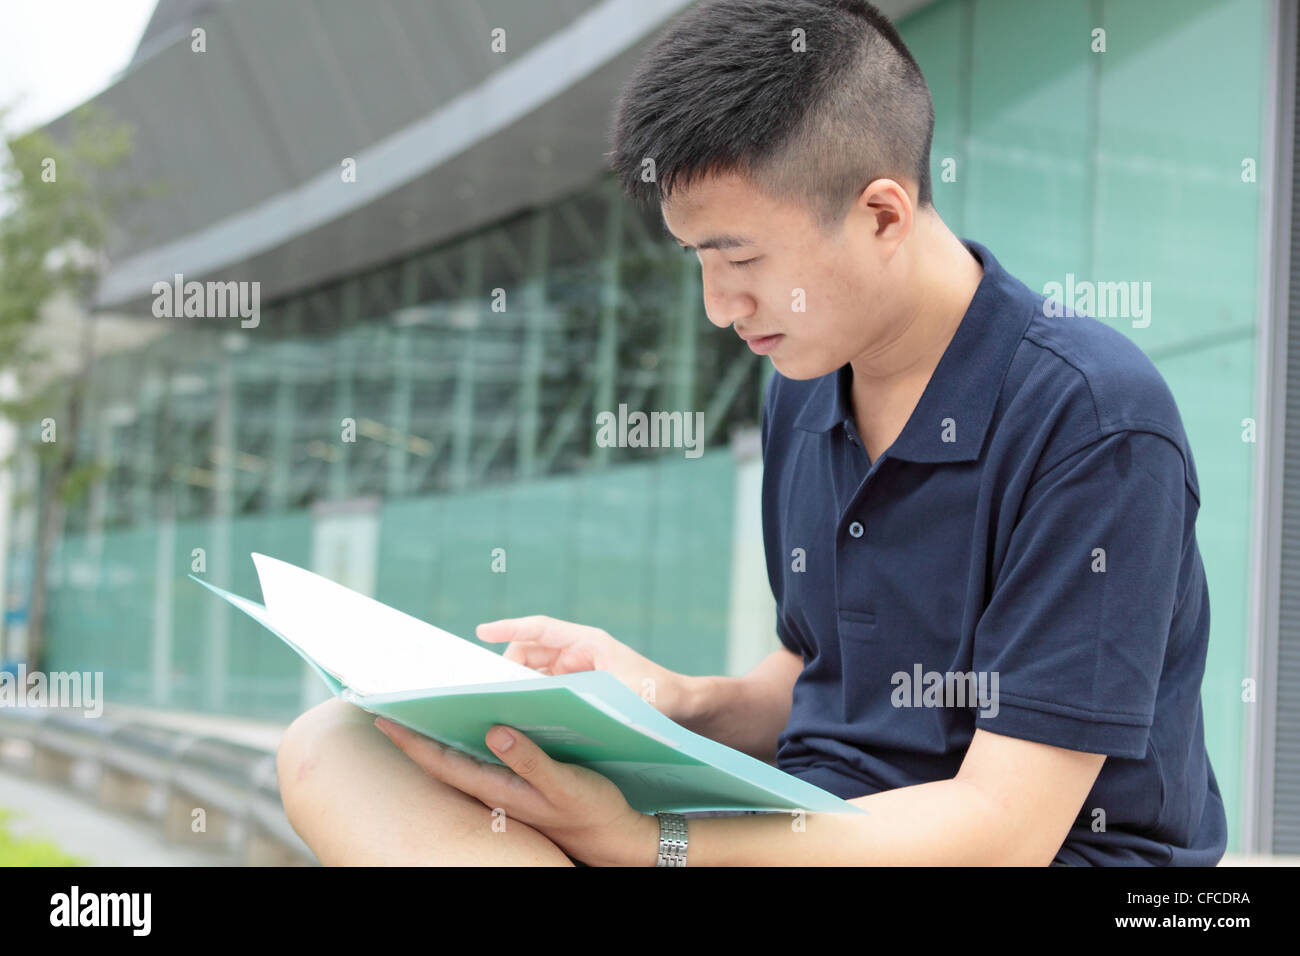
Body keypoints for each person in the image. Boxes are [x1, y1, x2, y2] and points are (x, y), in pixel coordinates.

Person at [276, 0, 1226, 866]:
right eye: (696, 257)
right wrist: (665, 700)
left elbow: (1002, 829)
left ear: (881, 215)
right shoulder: (804, 385)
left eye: (741, 259)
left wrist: (660, 844)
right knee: (339, 747)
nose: (718, 306)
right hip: (804, 820)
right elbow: (818, 673)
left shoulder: (1093, 422)